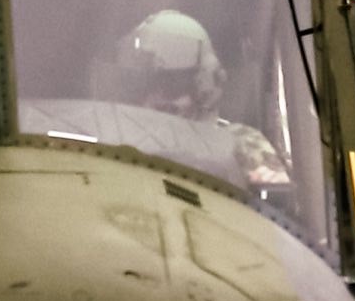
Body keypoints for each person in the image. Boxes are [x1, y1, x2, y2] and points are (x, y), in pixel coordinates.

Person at [106, 10, 290, 187]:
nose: (152, 101)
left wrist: (265, 182)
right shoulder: (108, 137)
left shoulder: (240, 144)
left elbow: (273, 201)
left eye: (171, 86)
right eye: (141, 86)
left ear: (204, 87)